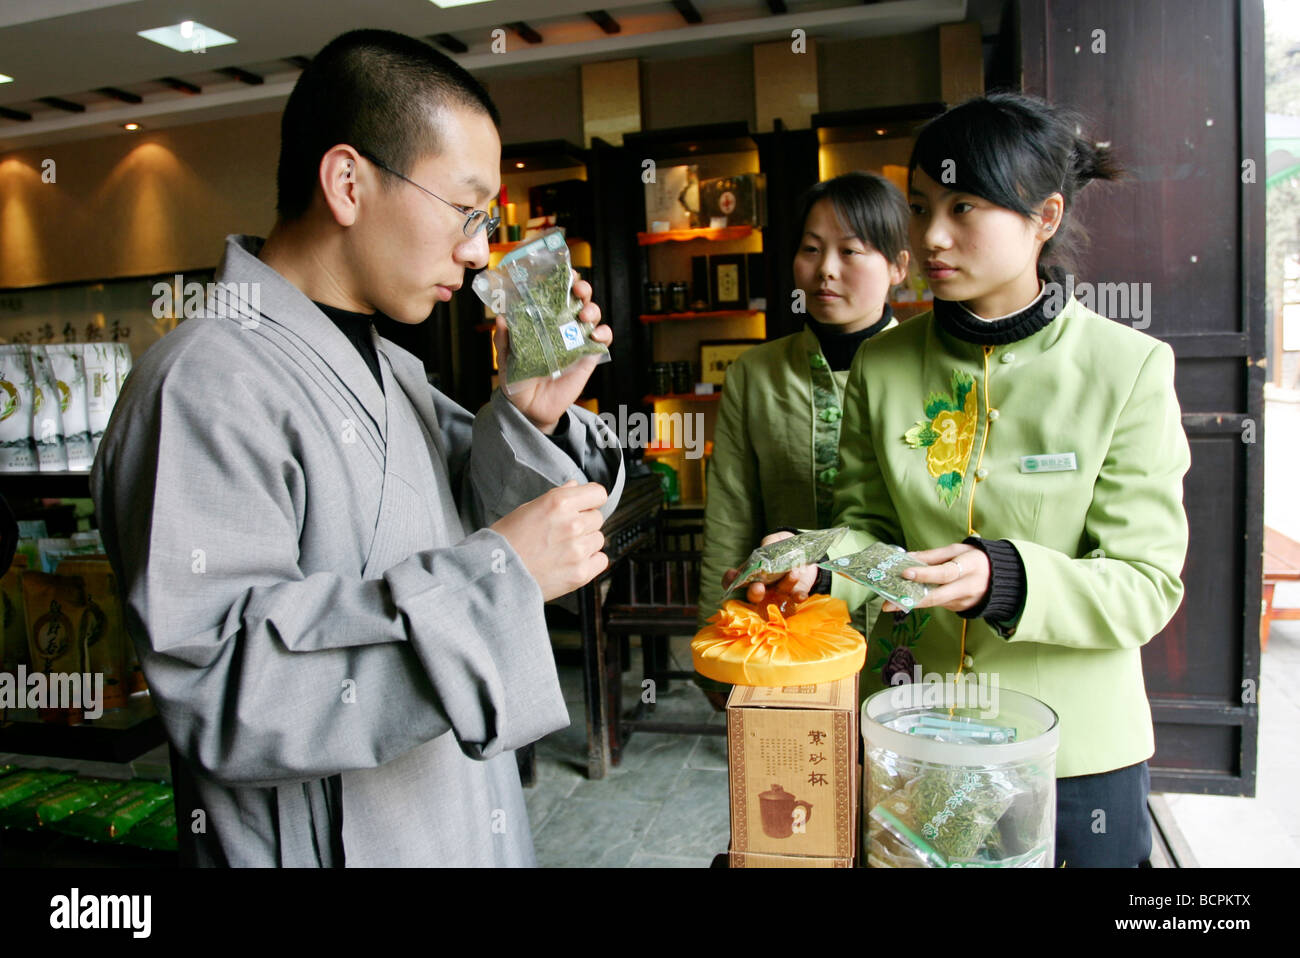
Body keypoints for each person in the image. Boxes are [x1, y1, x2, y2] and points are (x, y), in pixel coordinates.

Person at [89, 30, 624, 867]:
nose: (481, 249)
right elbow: (224, 688)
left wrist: (533, 418)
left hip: (452, 812)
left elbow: (487, 524)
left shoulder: (394, 373)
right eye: (466, 208)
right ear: (347, 182)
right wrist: (493, 581)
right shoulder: (203, 381)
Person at [746, 93, 1190, 867]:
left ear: (1044, 217)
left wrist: (1007, 577)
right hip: (914, 735)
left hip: (1074, 756)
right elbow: (869, 534)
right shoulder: (883, 364)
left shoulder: (1127, 369)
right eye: (920, 208)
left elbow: (1147, 583)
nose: (933, 235)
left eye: (964, 207)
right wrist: (819, 561)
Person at [696, 173, 909, 705]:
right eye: (811, 249)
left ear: (899, 266)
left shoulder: (926, 374)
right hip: (785, 637)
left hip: (909, 637)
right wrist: (714, 639)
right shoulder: (756, 373)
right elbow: (731, 514)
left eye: (851, 251)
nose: (826, 271)